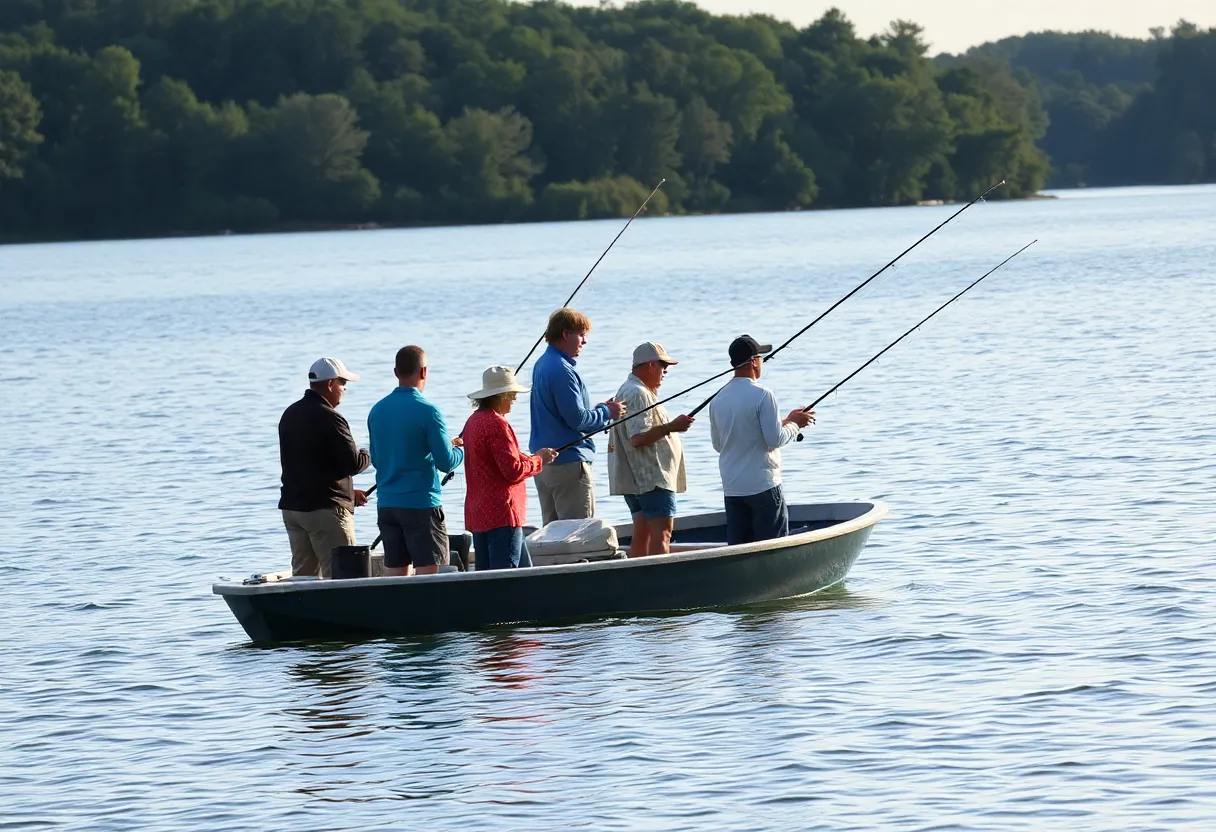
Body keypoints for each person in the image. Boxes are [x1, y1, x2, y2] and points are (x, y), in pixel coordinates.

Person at [708, 335, 815, 546]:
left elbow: (719, 445)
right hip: (763, 487)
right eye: (761, 358)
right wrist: (796, 425)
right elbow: (774, 440)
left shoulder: (717, 399)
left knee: (740, 550)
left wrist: (786, 420)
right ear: (754, 361)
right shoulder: (764, 395)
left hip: (733, 488)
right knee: (772, 548)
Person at [367, 345, 464, 577]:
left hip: (388, 504)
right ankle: (426, 614)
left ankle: (397, 613)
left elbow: (378, 460)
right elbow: (446, 462)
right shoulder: (429, 411)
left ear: (395, 371)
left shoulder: (377, 410)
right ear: (424, 372)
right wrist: (461, 449)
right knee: (427, 572)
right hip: (421, 504)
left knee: (396, 570)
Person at [529, 307, 626, 525]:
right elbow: (578, 420)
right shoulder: (562, 370)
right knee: (578, 533)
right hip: (568, 465)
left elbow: (563, 413)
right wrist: (607, 412)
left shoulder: (542, 364)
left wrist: (599, 410)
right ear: (565, 334)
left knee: (552, 533)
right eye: (581, 335)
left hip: (544, 465)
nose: (584, 341)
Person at [278, 357, 370, 578]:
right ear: (330, 384)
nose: (344, 389)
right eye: (343, 384)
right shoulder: (331, 418)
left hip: (293, 510)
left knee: (303, 578)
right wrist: (370, 452)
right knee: (343, 576)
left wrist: (348, 493)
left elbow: (308, 464)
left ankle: (302, 613)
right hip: (324, 512)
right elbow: (353, 463)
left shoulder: (289, 414)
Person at [462, 366, 558, 570]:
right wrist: (539, 460)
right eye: (512, 395)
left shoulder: (472, 422)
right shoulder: (497, 424)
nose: (514, 399)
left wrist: (531, 458)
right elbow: (512, 470)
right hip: (502, 514)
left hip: (478, 514)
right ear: (502, 395)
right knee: (504, 577)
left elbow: (494, 460)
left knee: (489, 575)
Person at [607, 343, 695, 557]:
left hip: (637, 480)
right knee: (662, 534)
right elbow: (637, 438)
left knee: (643, 532)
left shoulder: (629, 388)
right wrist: (672, 426)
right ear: (650, 365)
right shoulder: (638, 393)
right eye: (663, 366)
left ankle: (637, 580)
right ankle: (660, 581)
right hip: (651, 478)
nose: (665, 372)